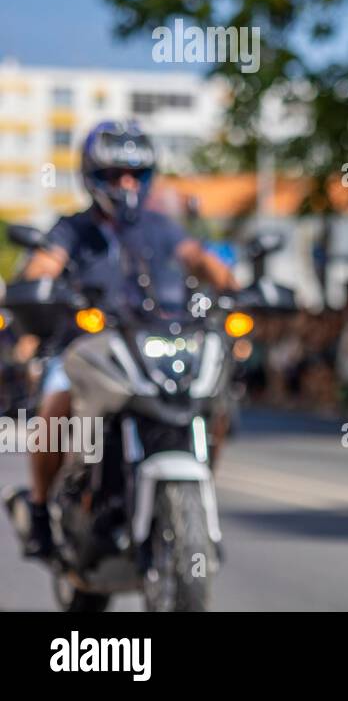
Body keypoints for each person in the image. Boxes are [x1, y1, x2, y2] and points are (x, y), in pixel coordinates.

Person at [18, 121, 238, 559]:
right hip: (87, 347)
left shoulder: (161, 227)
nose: (126, 183)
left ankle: (193, 504)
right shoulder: (73, 229)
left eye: (136, 174)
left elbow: (200, 260)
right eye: (116, 173)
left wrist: (234, 283)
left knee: (213, 400)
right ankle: (42, 510)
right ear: (93, 176)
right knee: (56, 403)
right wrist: (40, 284)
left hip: (153, 342)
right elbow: (43, 265)